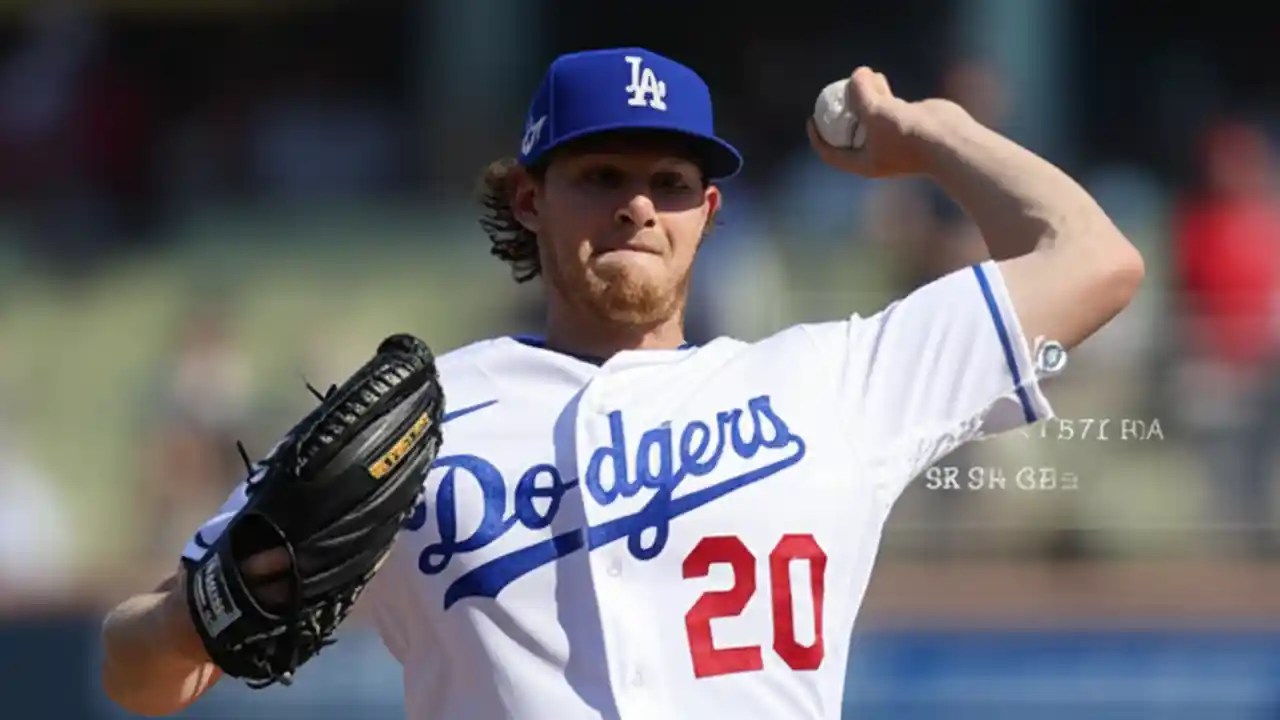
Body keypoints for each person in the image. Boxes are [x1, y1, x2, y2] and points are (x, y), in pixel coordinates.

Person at [100, 47, 1144, 719]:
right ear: (527, 200)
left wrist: (934, 136)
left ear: (709, 214)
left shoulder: (833, 380)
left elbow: (1093, 260)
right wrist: (222, 596)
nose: (640, 206)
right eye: (601, 175)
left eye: (671, 182)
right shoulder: (414, 424)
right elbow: (134, 673)